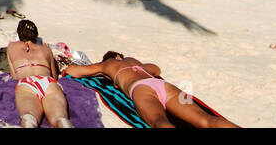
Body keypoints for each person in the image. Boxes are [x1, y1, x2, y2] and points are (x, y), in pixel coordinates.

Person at [62, 51, 238, 128]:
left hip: (141, 89)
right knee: (205, 120)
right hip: (163, 86)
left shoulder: (109, 63)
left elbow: (72, 71)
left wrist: (103, 70)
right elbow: (156, 69)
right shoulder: (134, 61)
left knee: (159, 122)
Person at [6, 19, 71, 128]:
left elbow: (14, 76)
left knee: (30, 118)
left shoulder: (11, 46)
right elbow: (54, 75)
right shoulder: (45, 48)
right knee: (60, 119)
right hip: (48, 82)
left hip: (27, 83)